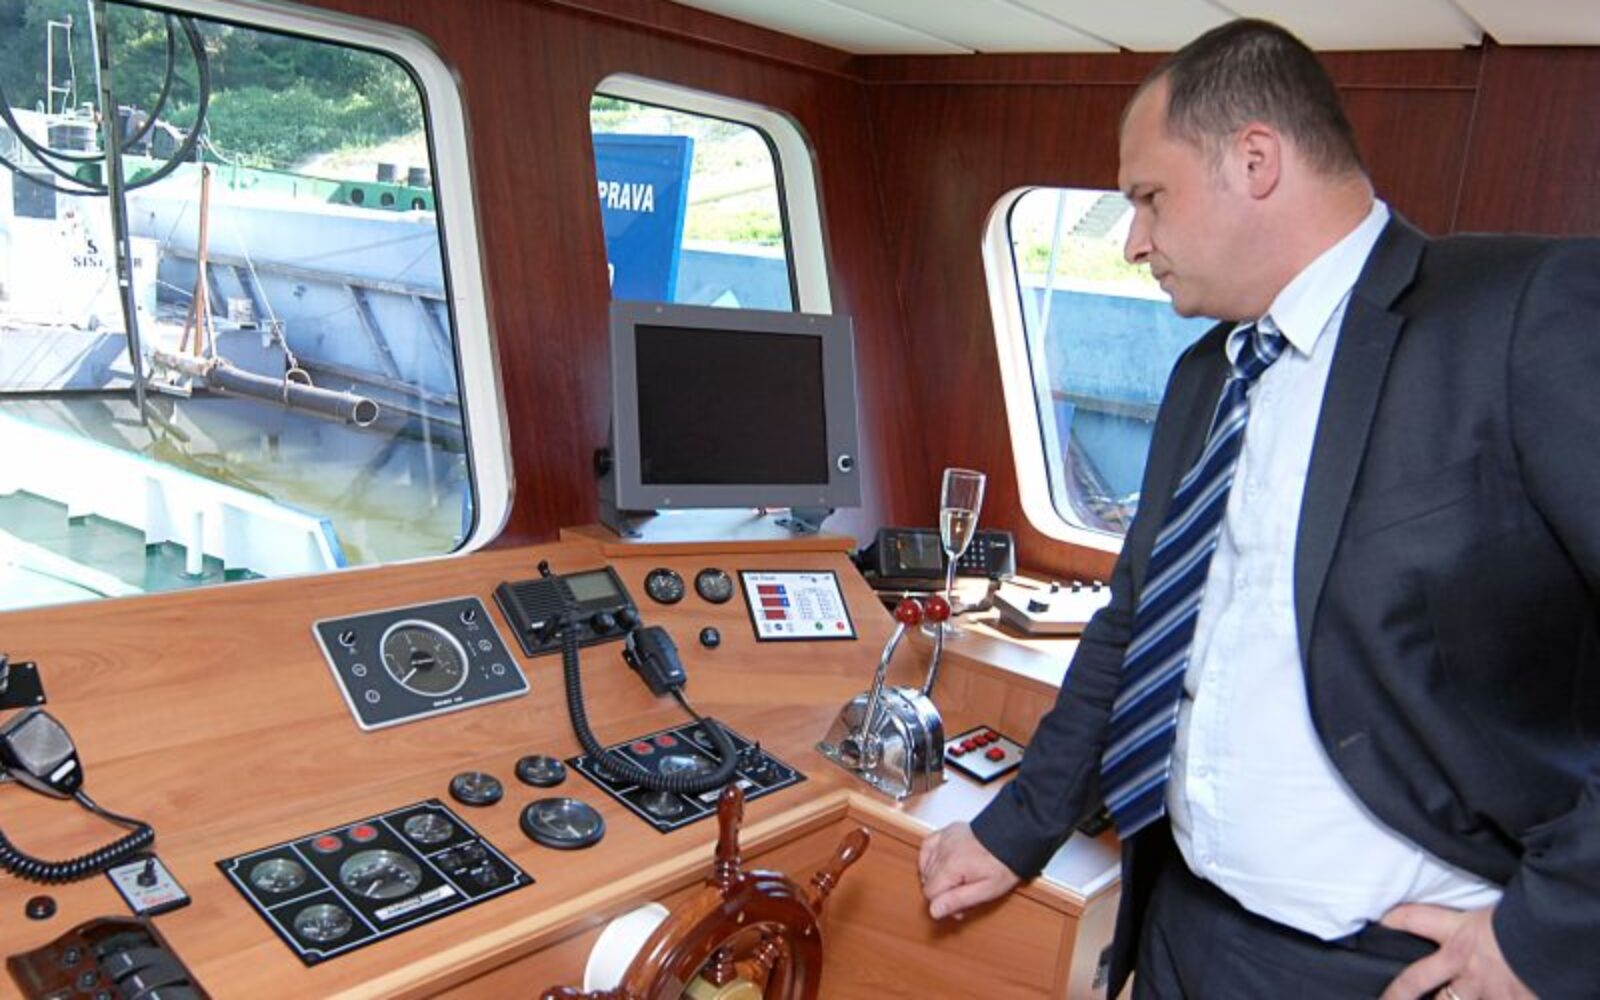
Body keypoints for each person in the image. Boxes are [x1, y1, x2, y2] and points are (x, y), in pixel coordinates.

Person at [919, 18, 1599, 1000]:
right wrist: (1017, 826)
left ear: (1255, 160)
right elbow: (1136, 624)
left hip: (1393, 964)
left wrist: (1550, 933)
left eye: (1149, 197)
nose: (1133, 241)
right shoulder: (1206, 373)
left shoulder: (1516, 318)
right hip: (1180, 922)